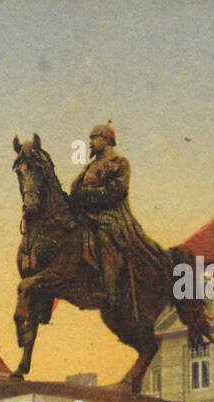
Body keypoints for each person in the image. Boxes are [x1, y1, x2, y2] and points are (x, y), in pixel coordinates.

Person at [67, 122, 170, 320]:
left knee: (105, 235)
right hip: (87, 214)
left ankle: (109, 287)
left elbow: (117, 191)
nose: (89, 143)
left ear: (106, 139)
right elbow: (76, 188)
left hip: (111, 215)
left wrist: (87, 195)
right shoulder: (89, 166)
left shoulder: (119, 162)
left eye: (93, 138)